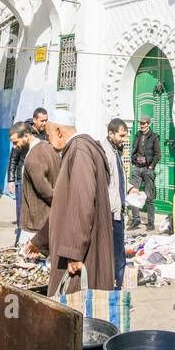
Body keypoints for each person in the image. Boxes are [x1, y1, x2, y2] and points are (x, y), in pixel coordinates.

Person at [27, 113, 115, 295]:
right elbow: (63, 207)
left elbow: (81, 202)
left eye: (48, 135)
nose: (48, 142)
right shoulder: (79, 150)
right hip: (77, 245)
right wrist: (39, 241)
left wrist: (73, 252)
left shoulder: (79, 151)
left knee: (78, 309)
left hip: (80, 252)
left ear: (59, 131)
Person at [19, 117, 61, 246]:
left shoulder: (34, 157)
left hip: (36, 221)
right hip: (46, 219)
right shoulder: (48, 148)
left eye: (16, 142)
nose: (15, 147)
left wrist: (59, 205)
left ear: (26, 137)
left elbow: (45, 191)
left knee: (26, 257)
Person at [100, 118, 129, 287]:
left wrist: (129, 188)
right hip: (111, 210)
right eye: (121, 135)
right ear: (111, 134)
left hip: (118, 208)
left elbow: (118, 178)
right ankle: (115, 287)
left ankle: (117, 283)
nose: (123, 139)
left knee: (118, 251)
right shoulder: (105, 152)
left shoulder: (116, 150)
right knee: (115, 252)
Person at [127, 115, 160, 231]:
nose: (142, 125)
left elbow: (158, 154)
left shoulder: (154, 137)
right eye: (141, 123)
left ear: (149, 124)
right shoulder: (137, 135)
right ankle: (136, 220)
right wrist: (134, 161)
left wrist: (151, 167)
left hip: (147, 169)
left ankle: (151, 223)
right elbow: (134, 149)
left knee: (149, 197)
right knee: (133, 194)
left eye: (144, 123)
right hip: (137, 168)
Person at [7, 120, 32, 244]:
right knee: (20, 210)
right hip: (20, 180)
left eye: (45, 120)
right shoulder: (19, 143)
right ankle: (20, 238)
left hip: (31, 183)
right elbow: (13, 160)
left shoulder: (41, 140)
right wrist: (11, 180)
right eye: (41, 120)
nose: (15, 146)